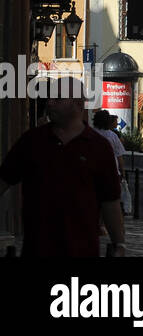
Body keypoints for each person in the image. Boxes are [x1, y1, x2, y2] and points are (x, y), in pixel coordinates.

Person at [0, 77, 125, 256]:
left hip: (82, 250)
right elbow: (4, 179)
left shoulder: (98, 147)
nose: (50, 103)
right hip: (38, 249)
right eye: (49, 97)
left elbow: (110, 201)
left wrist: (119, 244)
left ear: (78, 103)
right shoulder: (32, 141)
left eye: (58, 98)